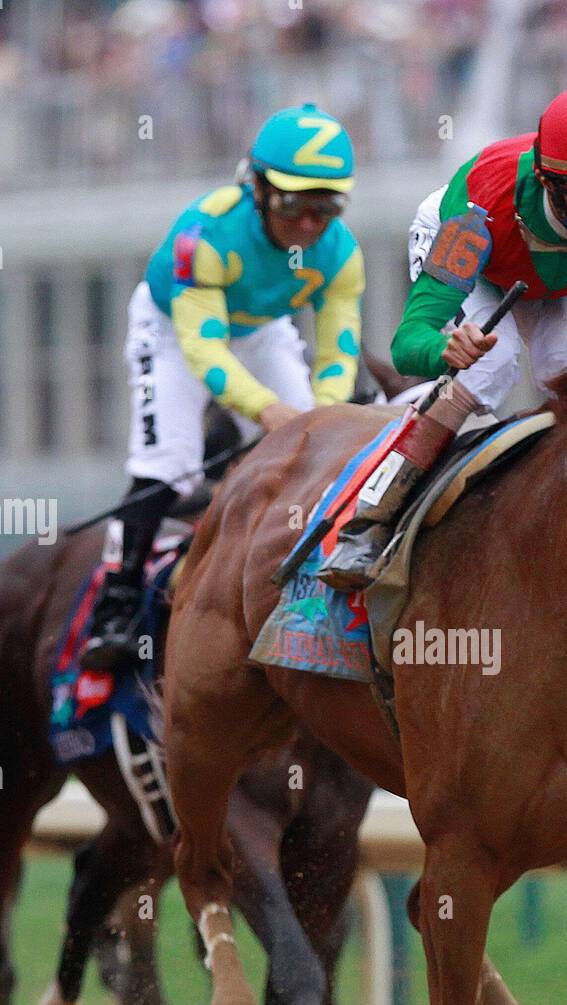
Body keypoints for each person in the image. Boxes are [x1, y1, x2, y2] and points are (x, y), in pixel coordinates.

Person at [318, 84, 567, 591]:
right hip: (483, 260)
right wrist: (443, 350)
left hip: (558, 276)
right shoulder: (477, 213)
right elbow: (407, 342)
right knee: (491, 367)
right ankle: (372, 520)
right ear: (553, 184)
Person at [82, 103, 364, 671]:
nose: (309, 224)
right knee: (170, 461)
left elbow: (339, 351)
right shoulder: (206, 232)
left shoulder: (343, 254)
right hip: (174, 327)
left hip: (258, 329)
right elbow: (202, 349)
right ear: (256, 187)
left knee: (319, 444)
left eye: (326, 206)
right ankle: (115, 602)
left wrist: (323, 416)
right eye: (293, 203)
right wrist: (268, 412)